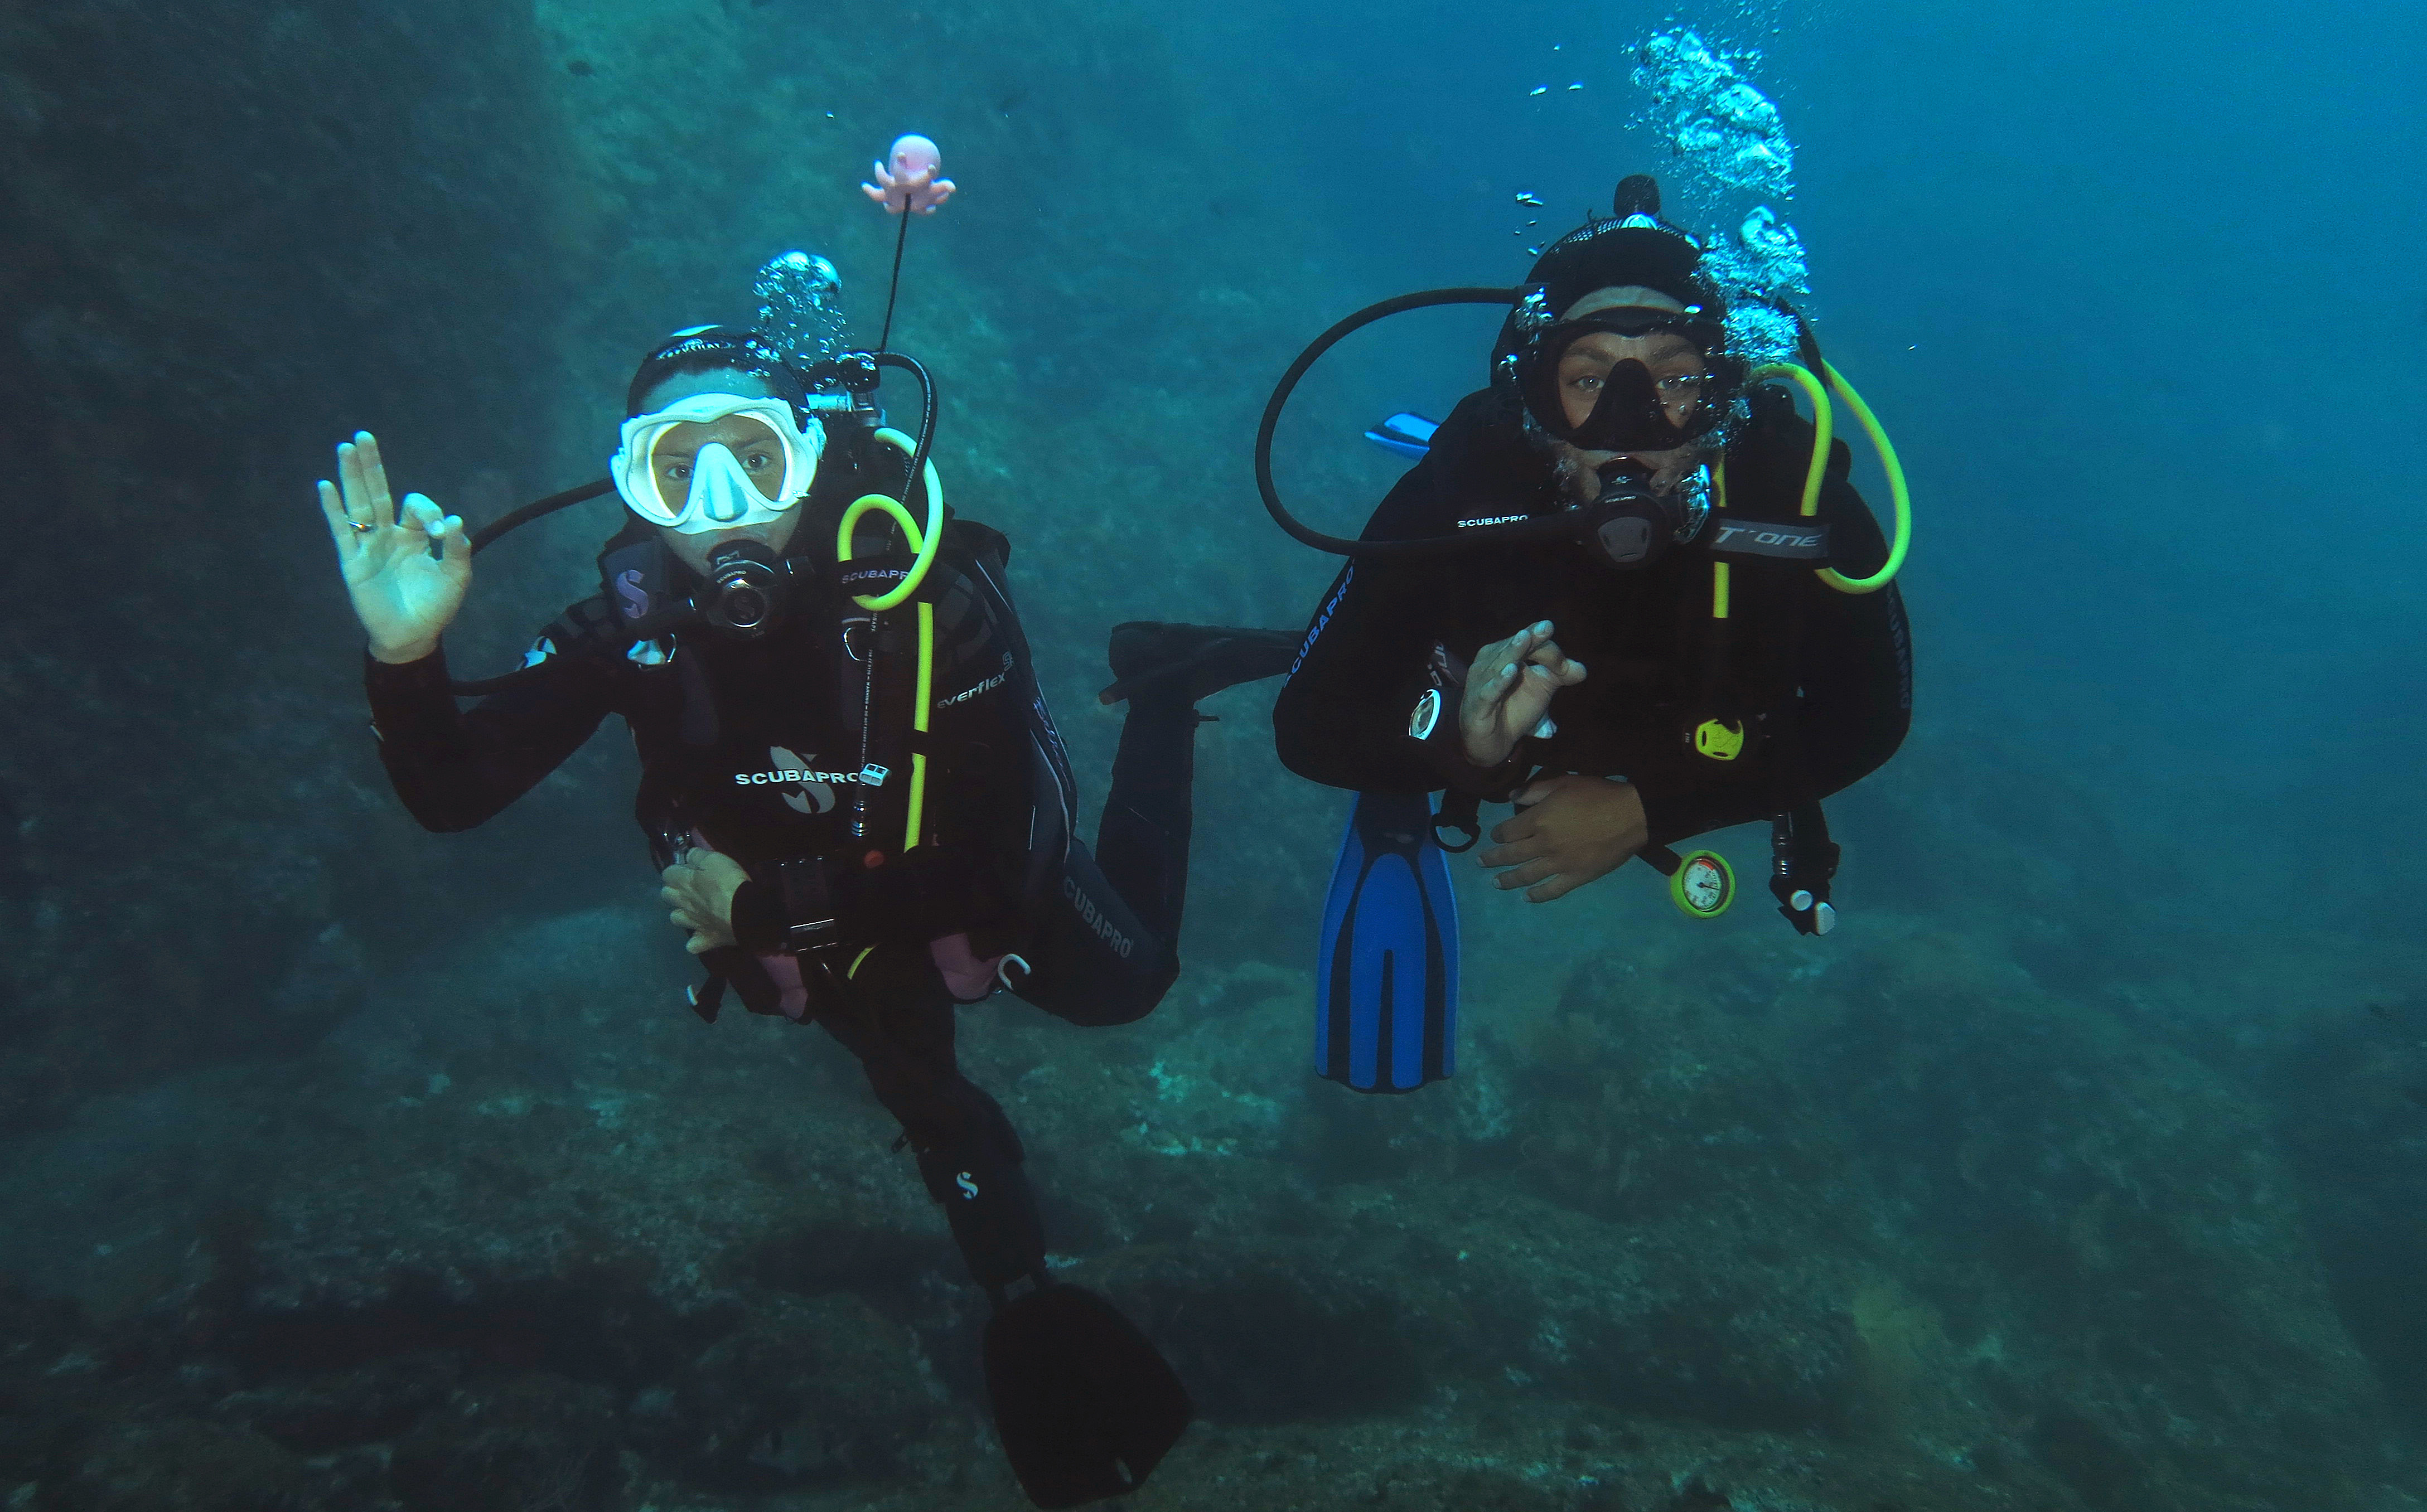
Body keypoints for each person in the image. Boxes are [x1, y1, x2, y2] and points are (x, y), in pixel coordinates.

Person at [317, 322, 1292, 1507]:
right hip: (813, 913)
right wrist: (405, 653)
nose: (722, 505)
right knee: (923, 1093)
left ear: (812, 457)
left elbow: (990, 875)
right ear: (634, 489)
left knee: (1128, 983)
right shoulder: (634, 623)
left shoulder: (927, 592)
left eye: (753, 459)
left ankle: (1159, 686)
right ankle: (1023, 1297)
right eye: (677, 469)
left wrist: (769, 909)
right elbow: (453, 792)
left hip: (937, 874)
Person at [1270, 176, 1911, 1074]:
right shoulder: (1461, 495)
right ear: (1537, 400)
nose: (1629, 427)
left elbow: (1870, 719)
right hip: (1513, 739)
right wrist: (1465, 751)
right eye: (1587, 381)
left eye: (1676, 381)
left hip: (1689, 740)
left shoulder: (1794, 504)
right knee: (1402, 661)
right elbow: (1306, 728)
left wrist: (1644, 812)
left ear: (1722, 396)